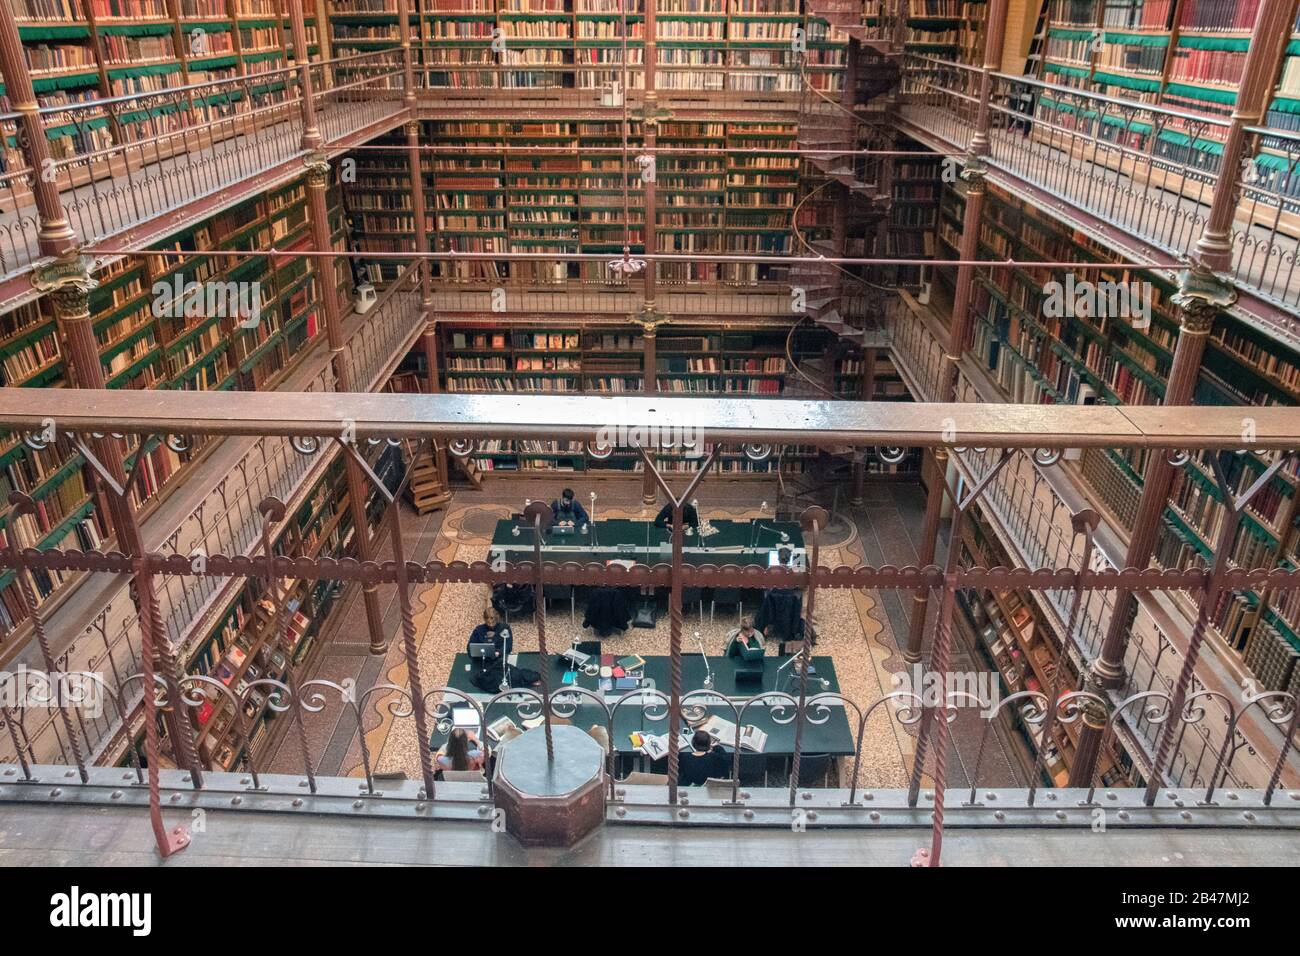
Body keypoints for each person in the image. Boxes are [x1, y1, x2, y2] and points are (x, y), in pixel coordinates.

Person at [467, 607, 541, 691]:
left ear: (497, 619)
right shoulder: (478, 630)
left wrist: (499, 652)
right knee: (484, 680)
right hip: (481, 662)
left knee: (511, 677)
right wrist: (479, 653)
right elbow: (470, 648)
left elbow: (508, 646)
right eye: (488, 623)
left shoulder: (504, 628)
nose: (490, 625)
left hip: (498, 662)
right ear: (484, 620)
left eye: (493, 623)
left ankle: (532, 678)